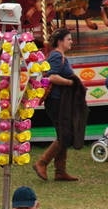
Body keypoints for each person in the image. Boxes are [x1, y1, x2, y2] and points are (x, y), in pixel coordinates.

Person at [34, 28, 84, 182]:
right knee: (65, 134)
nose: (71, 42)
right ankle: (42, 162)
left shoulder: (61, 56)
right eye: (68, 39)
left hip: (60, 101)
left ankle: (60, 171)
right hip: (56, 101)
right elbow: (52, 77)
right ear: (60, 41)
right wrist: (70, 82)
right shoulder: (56, 56)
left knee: (63, 134)